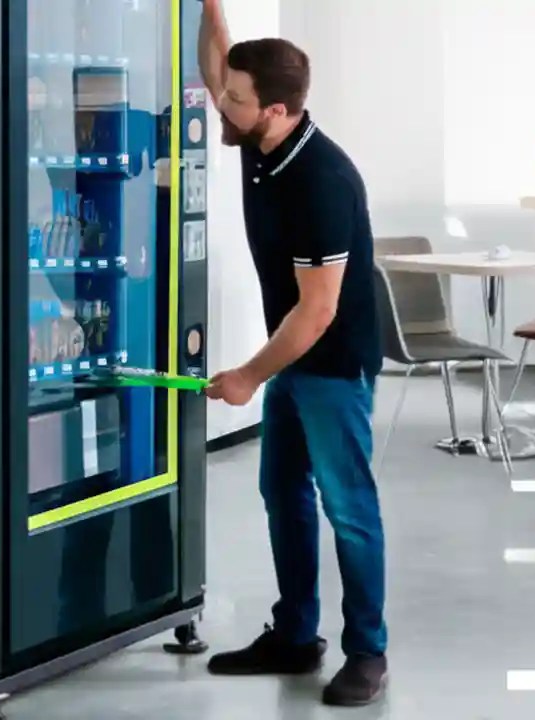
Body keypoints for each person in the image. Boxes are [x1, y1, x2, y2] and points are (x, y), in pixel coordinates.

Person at [196, 0, 389, 707]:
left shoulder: (321, 181)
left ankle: (368, 651)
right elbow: (219, 62)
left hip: (332, 362)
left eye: (237, 101)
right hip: (294, 354)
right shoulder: (258, 138)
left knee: (349, 507)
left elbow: (320, 309)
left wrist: (249, 375)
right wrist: (210, 7)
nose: (223, 105)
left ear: (274, 110)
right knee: (282, 491)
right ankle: (296, 635)